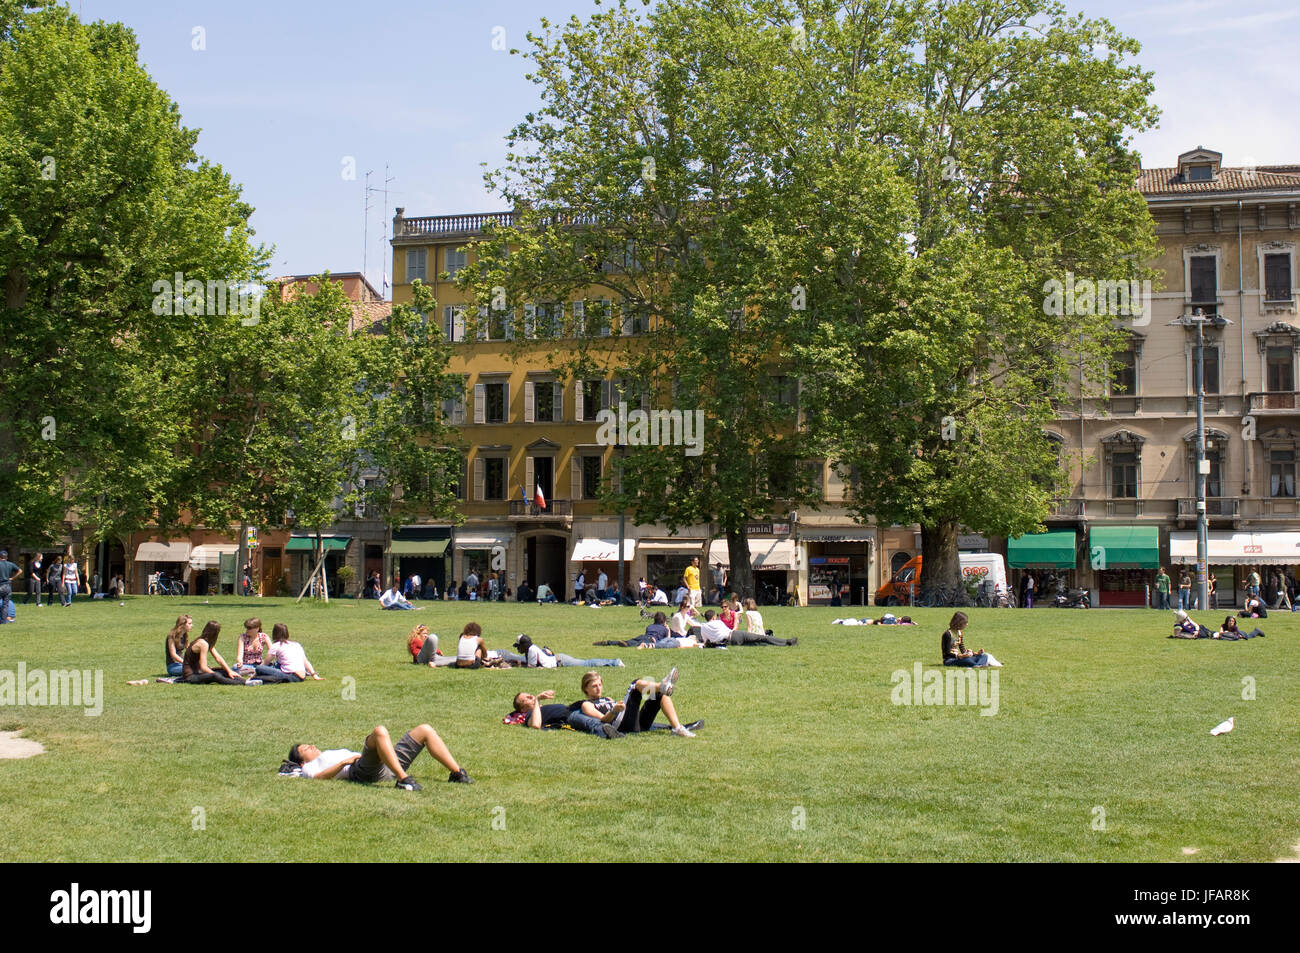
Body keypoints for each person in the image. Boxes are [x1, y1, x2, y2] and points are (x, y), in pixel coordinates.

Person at [287, 723, 472, 786]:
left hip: (383, 765)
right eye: (306, 749)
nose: (312, 746)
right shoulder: (309, 769)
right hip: (360, 770)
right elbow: (319, 778)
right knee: (379, 732)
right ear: (302, 762)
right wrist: (345, 762)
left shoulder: (325, 753)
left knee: (424, 730)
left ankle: (457, 773)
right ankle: (403, 779)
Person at [570, 668, 697, 737]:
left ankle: (677, 728)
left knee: (659, 695)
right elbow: (603, 721)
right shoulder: (587, 705)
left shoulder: (607, 698)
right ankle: (661, 685)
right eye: (594, 686)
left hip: (636, 724)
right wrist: (614, 711)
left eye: (599, 685)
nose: (598, 688)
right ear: (585, 689)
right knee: (634, 685)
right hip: (620, 726)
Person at [505, 690, 620, 738]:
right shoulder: (530, 714)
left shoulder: (539, 709)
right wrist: (538, 700)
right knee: (592, 723)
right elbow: (535, 725)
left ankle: (619, 725)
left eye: (529, 694)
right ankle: (611, 734)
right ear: (523, 708)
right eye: (527, 698)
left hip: (575, 709)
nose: (531, 696)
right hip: (570, 717)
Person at [181, 621, 247, 685]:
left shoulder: (206, 641)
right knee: (215, 676)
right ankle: (245, 683)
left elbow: (218, 658)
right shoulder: (203, 644)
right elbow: (203, 667)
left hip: (198, 672)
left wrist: (229, 671)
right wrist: (215, 674)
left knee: (223, 671)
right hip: (191, 676)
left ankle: (246, 681)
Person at [513, 634, 624, 668]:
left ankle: (615, 662)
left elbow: (531, 668)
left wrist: (512, 666)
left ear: (524, 645)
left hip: (562, 661)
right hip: (559, 659)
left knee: (587, 663)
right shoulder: (531, 649)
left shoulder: (531, 650)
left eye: (518, 646)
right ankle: (614, 662)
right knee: (586, 663)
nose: (518, 649)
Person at [698, 608, 796, 647]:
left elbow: (706, 641)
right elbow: (730, 630)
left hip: (731, 643)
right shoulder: (718, 622)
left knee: (759, 644)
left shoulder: (703, 627)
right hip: (735, 635)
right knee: (762, 637)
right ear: (713, 617)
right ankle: (787, 642)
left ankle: (785, 644)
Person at [235, 617, 291, 682]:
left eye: (249, 628)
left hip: (260, 664)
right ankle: (257, 671)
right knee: (235, 667)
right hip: (246, 664)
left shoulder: (263, 637)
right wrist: (240, 661)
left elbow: (272, 650)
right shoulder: (242, 637)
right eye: (246, 628)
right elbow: (240, 655)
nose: (247, 630)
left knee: (273, 665)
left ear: (257, 628)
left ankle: (255, 671)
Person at [0, 549, 20, 624]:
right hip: (8, 586)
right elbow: (20, 571)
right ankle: (3, 621)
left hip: (0, 585)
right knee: (5, 604)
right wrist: (12, 578)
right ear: (7, 557)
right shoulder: (10, 564)